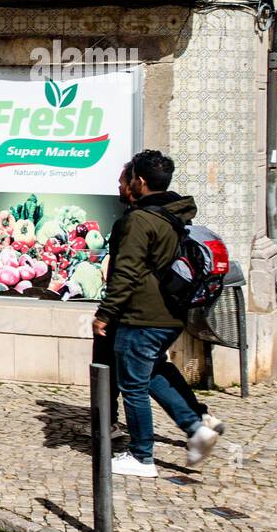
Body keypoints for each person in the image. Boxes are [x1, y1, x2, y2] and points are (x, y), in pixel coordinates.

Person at [92, 150, 222, 476]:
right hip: (169, 314)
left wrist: (106, 313)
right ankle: (196, 428)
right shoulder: (174, 214)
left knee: (133, 386)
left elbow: (126, 271)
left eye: (126, 180)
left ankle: (141, 456)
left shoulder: (138, 220)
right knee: (152, 373)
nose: (122, 186)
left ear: (140, 181)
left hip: (142, 315)